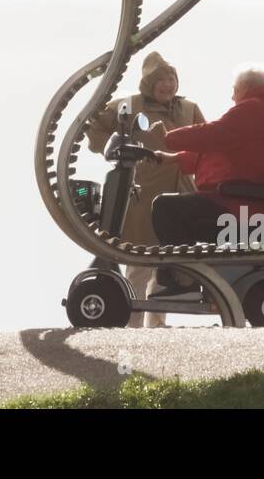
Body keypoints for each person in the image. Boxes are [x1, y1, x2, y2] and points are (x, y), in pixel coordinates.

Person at [146, 64, 264, 294]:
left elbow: (215, 134)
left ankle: (185, 277)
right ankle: (181, 273)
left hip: (240, 208)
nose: (232, 96)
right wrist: (173, 158)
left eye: (234, 89)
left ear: (245, 87)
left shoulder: (253, 109)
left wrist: (168, 138)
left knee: (164, 207)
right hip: (245, 203)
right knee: (175, 208)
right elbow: (222, 152)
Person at [85, 52, 205, 327]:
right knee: (139, 260)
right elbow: (94, 126)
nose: (167, 84)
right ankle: (132, 321)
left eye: (171, 78)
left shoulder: (189, 108)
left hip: (183, 193)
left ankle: (157, 323)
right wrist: (115, 150)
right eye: (160, 79)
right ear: (148, 83)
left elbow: (206, 141)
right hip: (144, 194)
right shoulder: (129, 105)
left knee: (170, 263)